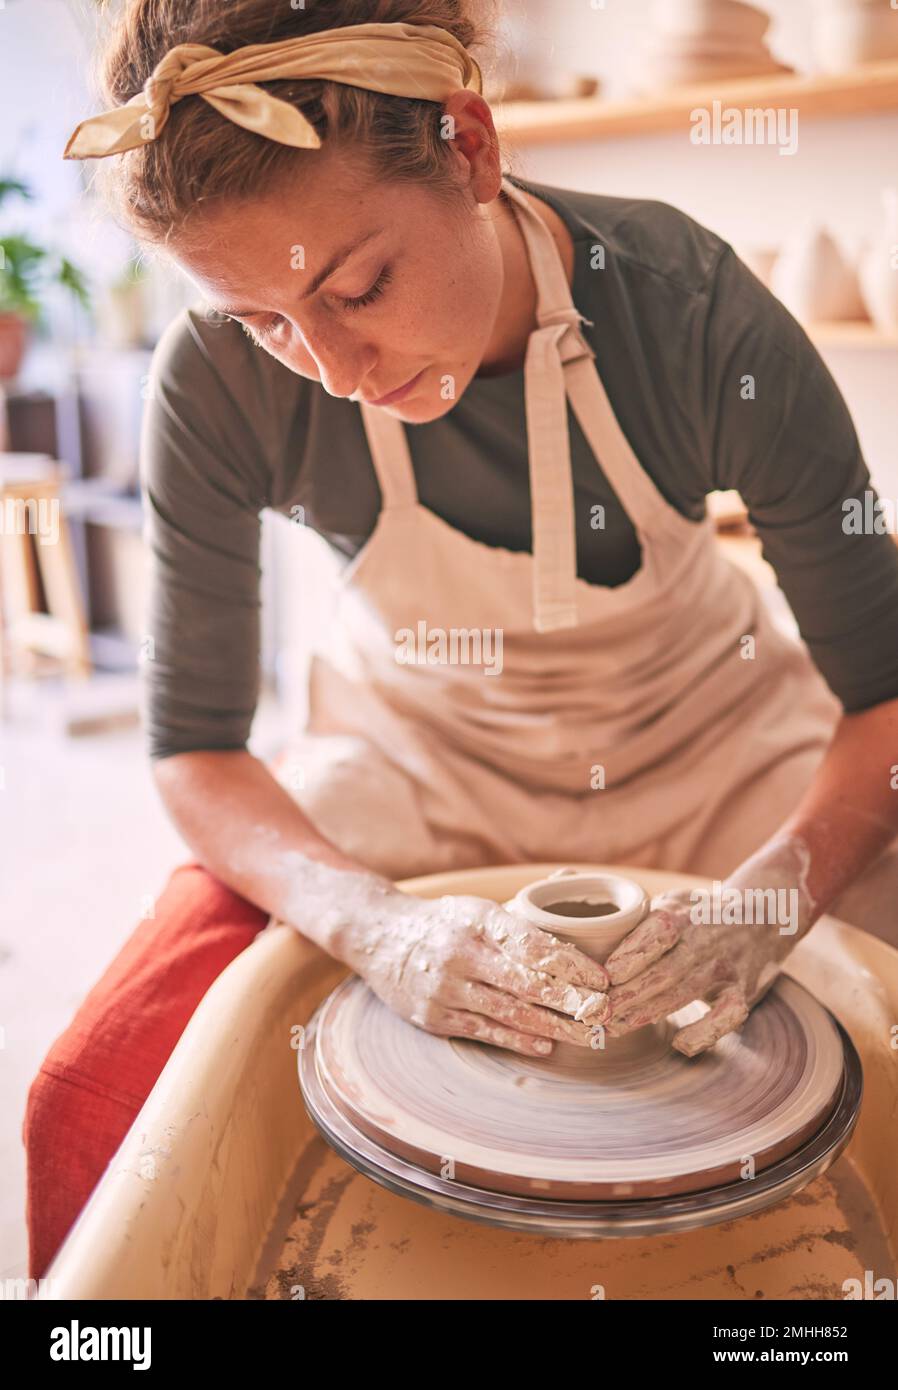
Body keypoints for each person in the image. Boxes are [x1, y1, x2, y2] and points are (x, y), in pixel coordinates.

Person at [24, 0, 898, 1279]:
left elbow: (885, 698)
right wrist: (375, 926)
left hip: (718, 748)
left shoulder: (696, 308)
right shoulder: (211, 378)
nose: (327, 365)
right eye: (264, 318)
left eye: (356, 285)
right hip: (419, 759)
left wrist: (769, 898)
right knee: (95, 1085)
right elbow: (196, 752)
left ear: (473, 149)